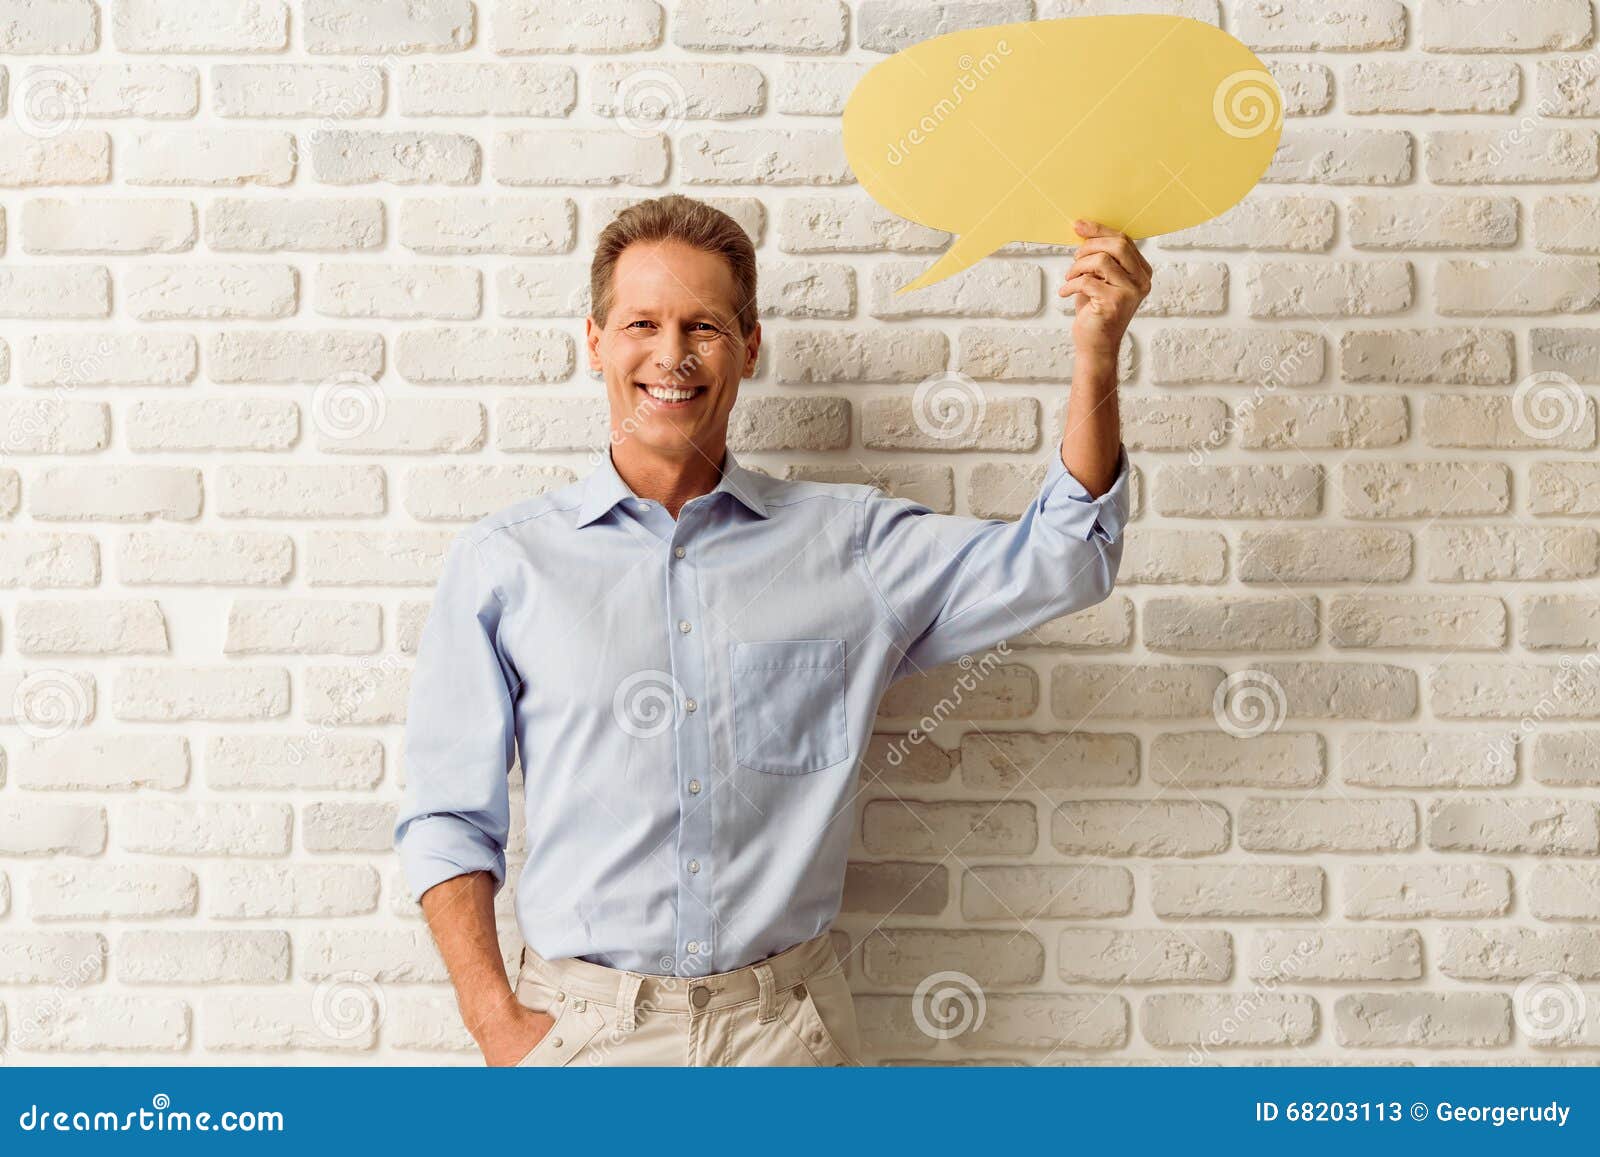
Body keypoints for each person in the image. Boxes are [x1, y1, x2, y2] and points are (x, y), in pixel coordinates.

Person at [394, 193, 1148, 1066]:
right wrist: (497, 1021)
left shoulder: (852, 545)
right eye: (642, 322)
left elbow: (1066, 560)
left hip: (785, 1036)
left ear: (750, 347)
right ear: (595, 340)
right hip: (581, 1038)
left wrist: (1096, 352)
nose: (672, 355)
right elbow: (448, 816)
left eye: (704, 326)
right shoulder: (506, 564)